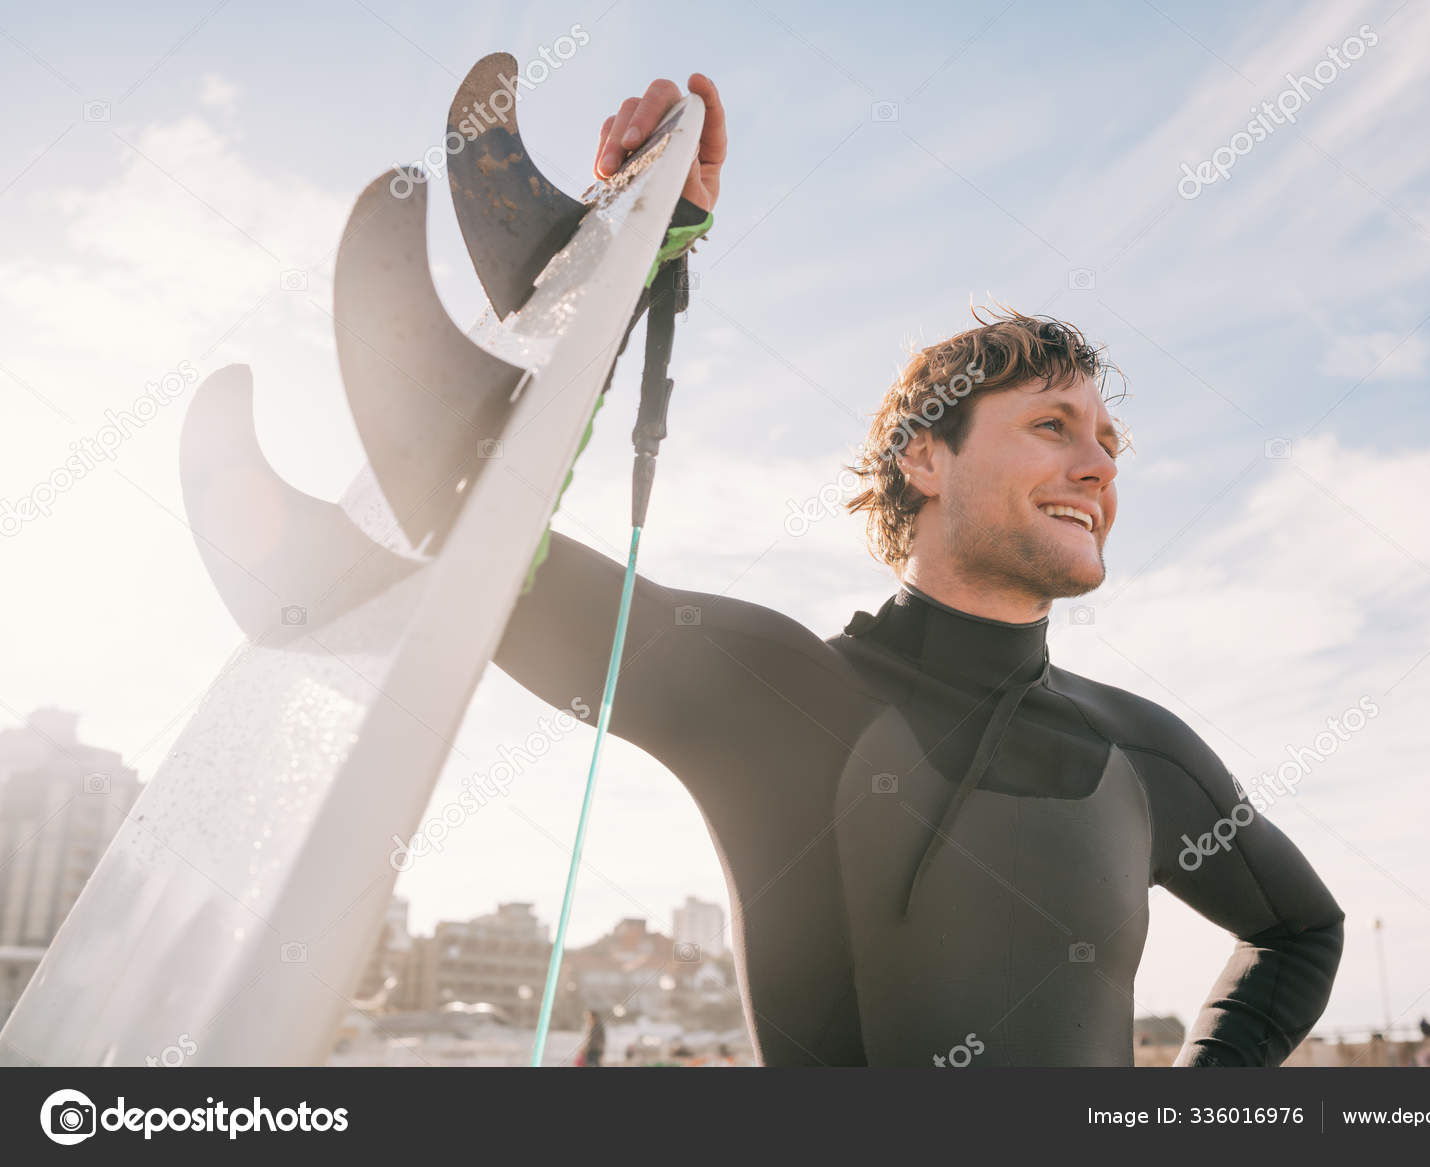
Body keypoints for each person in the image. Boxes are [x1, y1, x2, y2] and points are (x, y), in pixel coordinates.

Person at [495, 75, 1344, 1067]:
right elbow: (488, 557)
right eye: (1050, 425)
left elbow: (1299, 933)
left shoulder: (1145, 756)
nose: (1100, 466)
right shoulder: (768, 692)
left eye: (1110, 442)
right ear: (923, 458)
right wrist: (632, 250)